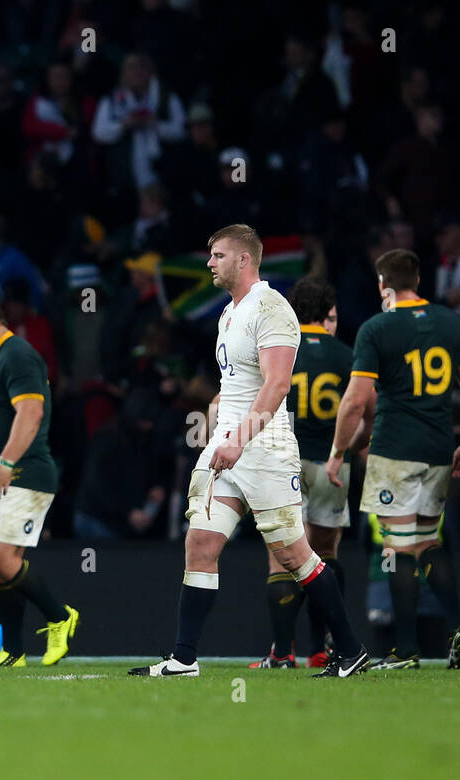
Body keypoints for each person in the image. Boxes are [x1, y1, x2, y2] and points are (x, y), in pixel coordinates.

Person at [130, 224, 367, 678]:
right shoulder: (228, 313)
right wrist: (219, 417)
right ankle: (184, 659)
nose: (209, 263)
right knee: (200, 541)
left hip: (266, 448)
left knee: (295, 555)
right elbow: (239, 384)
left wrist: (239, 439)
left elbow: (278, 384)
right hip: (230, 446)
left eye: (217, 255)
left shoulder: (273, 307)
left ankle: (351, 647)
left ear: (243, 260)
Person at [327, 249, 460, 670]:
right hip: (437, 450)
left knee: (396, 548)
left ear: (383, 284)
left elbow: (356, 401)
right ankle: (459, 626)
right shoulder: (452, 323)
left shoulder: (376, 328)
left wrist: (339, 451)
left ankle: (406, 649)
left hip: (394, 449)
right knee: (429, 541)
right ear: (418, 279)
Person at [0, 291, 79, 668]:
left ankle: (60, 616)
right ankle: (12, 651)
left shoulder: (18, 354)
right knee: (2, 563)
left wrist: (6, 463)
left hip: (26, 472)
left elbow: (31, 413)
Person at [250, 276, 354, 669]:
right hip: (330, 464)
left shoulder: (278, 353)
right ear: (328, 313)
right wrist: (348, 450)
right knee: (324, 555)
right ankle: (323, 649)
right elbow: (364, 407)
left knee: (281, 559)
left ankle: (281, 652)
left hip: (282, 463)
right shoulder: (346, 355)